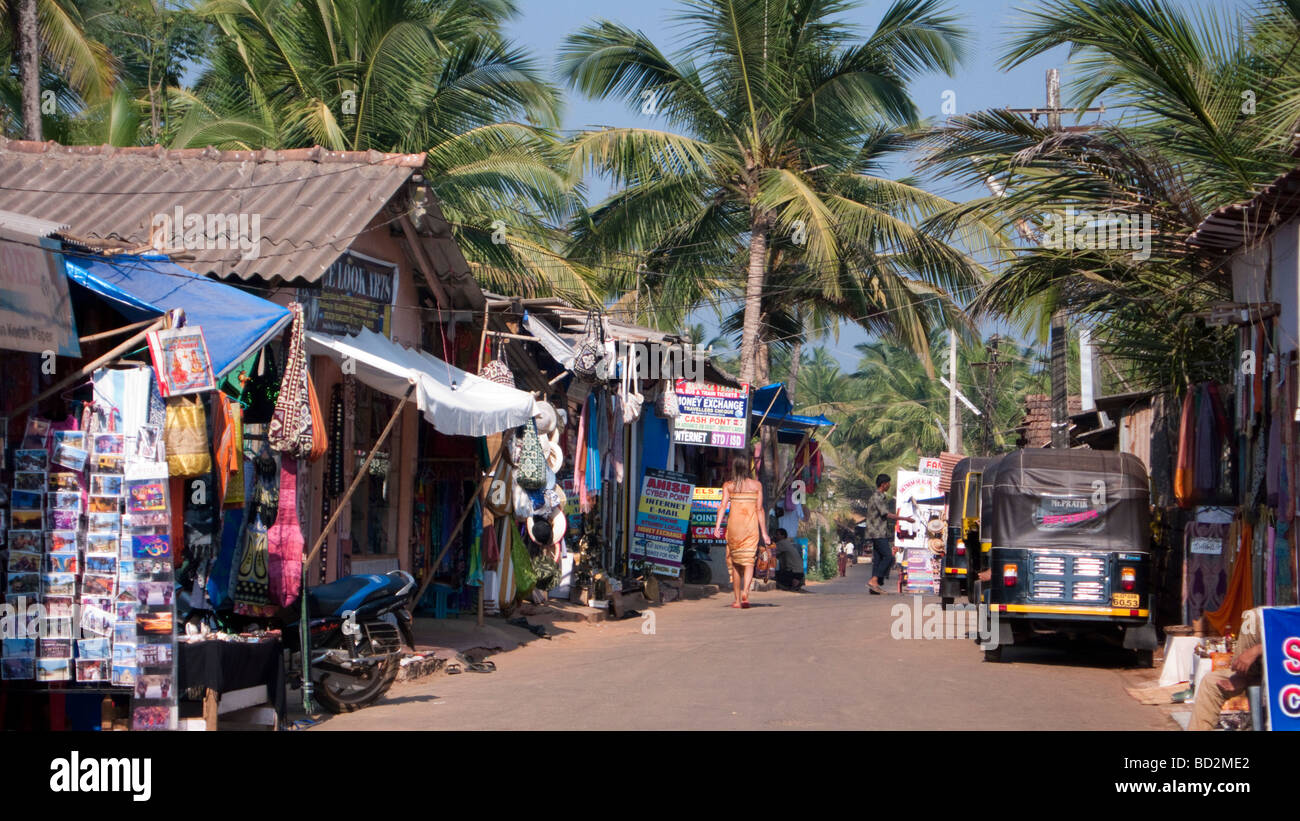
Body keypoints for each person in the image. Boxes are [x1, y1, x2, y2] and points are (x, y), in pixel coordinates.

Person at [1189, 607, 1264, 731]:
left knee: (1254, 615)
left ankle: (1241, 675)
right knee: (1211, 682)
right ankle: (1241, 673)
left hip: (1289, 670)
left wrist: (1257, 649)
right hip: (1266, 667)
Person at [714, 456, 771, 609]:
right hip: (750, 527)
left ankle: (737, 600)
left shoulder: (728, 486)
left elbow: (722, 507)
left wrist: (717, 526)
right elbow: (759, 510)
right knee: (748, 562)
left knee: (735, 565)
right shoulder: (756, 485)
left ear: (734, 468)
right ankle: (746, 591)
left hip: (734, 528)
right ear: (747, 468)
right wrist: (764, 533)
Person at [864, 473, 913, 595]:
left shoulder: (879, 497)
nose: (890, 485)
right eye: (888, 483)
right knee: (888, 557)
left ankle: (875, 586)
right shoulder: (877, 497)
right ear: (883, 484)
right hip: (877, 532)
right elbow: (887, 514)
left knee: (878, 559)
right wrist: (905, 519)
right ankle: (874, 580)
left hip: (878, 532)